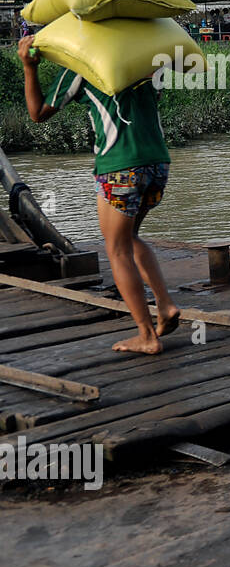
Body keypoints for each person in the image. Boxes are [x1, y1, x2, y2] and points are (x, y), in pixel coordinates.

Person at [19, 36, 181, 354]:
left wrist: (29, 67)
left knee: (116, 249)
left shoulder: (79, 67)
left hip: (119, 167)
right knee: (131, 238)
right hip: (157, 164)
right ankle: (164, 306)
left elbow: (37, 113)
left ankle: (147, 335)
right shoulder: (147, 60)